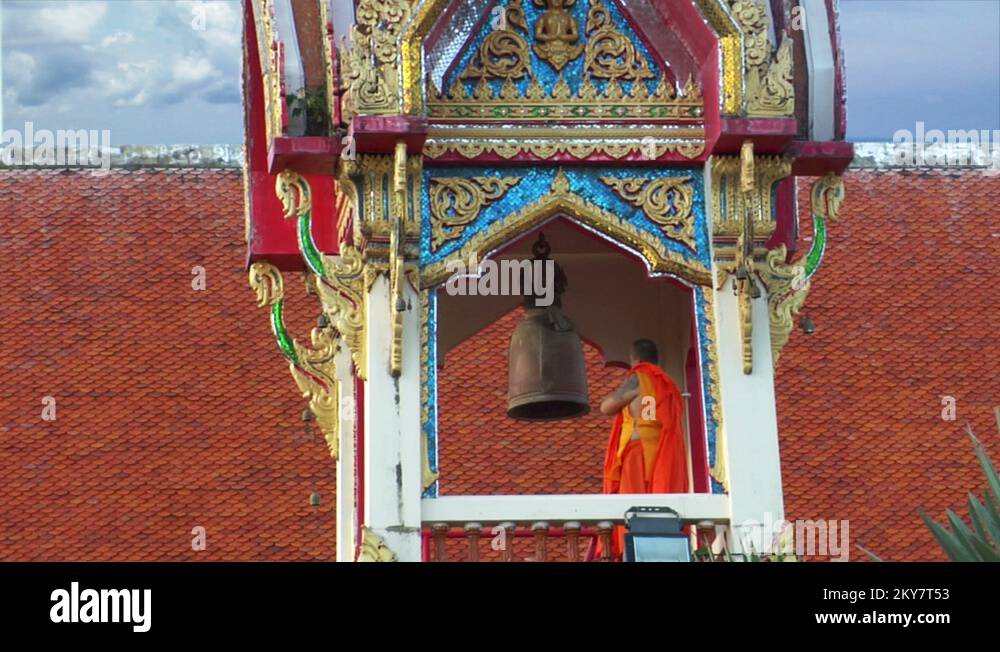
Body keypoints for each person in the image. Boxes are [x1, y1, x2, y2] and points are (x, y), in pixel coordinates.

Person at [592, 338, 689, 560]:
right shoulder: (666, 384)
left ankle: (631, 552)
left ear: (634, 358)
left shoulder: (639, 377)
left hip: (637, 453)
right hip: (661, 454)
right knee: (653, 504)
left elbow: (607, 407)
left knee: (632, 506)